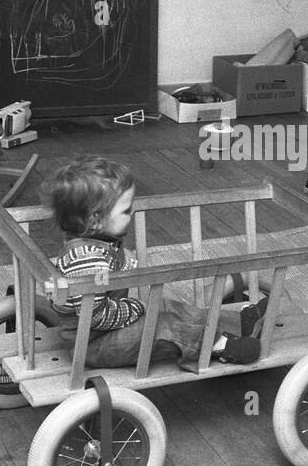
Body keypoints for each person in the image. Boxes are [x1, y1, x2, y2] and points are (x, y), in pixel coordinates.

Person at [46, 156, 263, 373]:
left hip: (107, 330)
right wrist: (136, 308)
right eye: (125, 210)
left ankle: (234, 325)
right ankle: (219, 346)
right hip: (93, 344)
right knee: (163, 324)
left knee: (166, 306)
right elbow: (95, 316)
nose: (132, 214)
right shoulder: (87, 258)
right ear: (95, 220)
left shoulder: (99, 241)